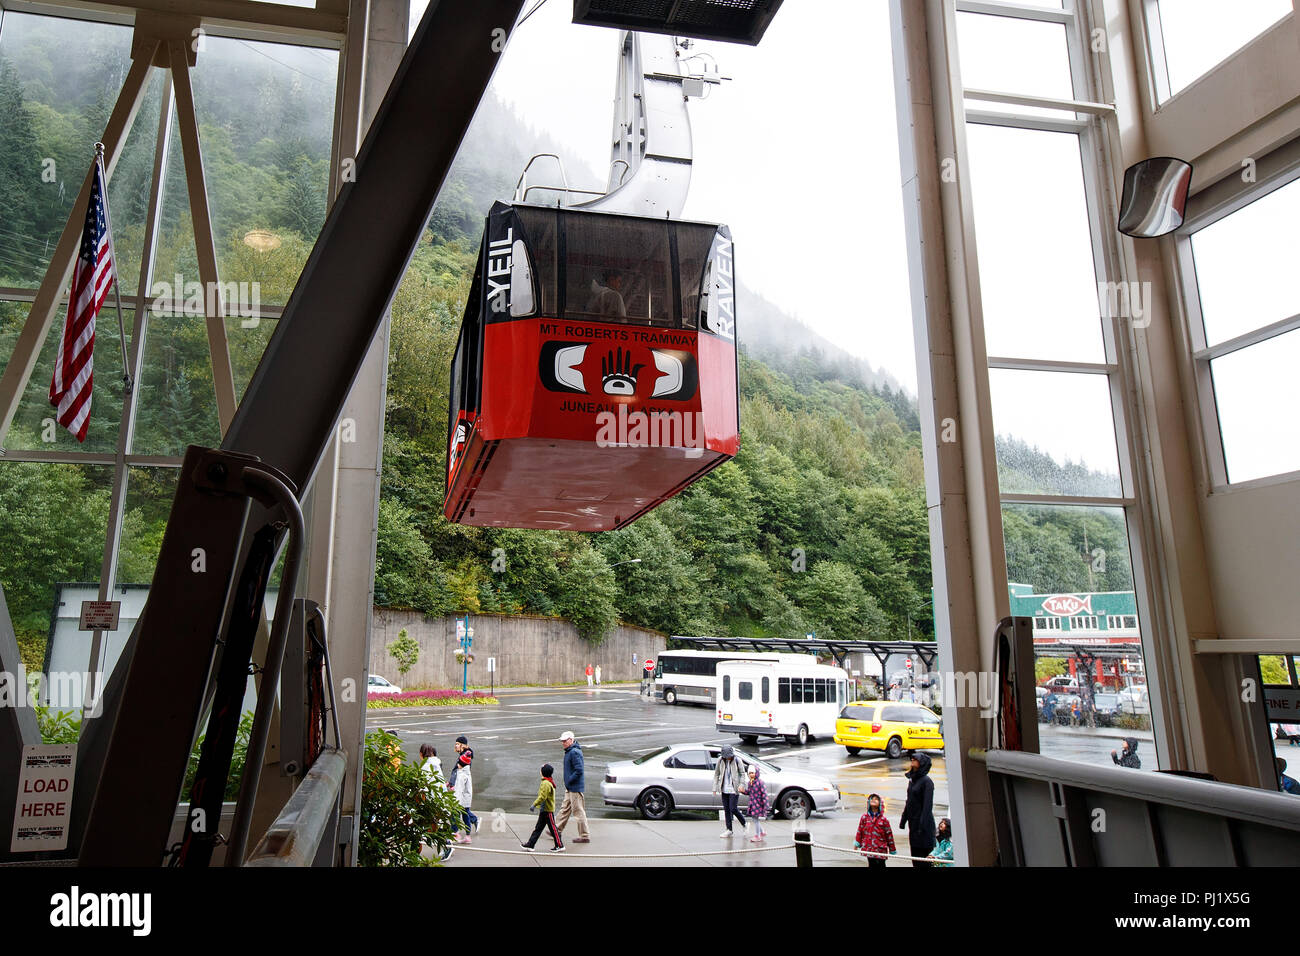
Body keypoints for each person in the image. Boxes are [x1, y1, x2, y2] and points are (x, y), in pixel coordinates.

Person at [899, 752, 936, 867]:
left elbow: (927, 806)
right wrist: (904, 819)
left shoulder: (927, 782)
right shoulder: (912, 780)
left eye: (915, 759)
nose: (912, 760)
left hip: (924, 828)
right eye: (912, 759)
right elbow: (909, 801)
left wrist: (922, 825)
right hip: (913, 825)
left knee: (924, 861)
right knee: (915, 859)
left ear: (922, 763)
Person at [520, 763, 565, 852]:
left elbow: (542, 797)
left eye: (541, 770)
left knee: (553, 829)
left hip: (547, 810)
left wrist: (534, 804)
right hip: (544, 810)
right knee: (539, 828)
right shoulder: (548, 781)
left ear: (543, 772)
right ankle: (530, 844)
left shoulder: (546, 783)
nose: (540, 771)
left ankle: (560, 845)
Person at [556, 731, 591, 843]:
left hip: (574, 788)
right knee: (565, 809)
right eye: (562, 741)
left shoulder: (574, 752)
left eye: (565, 741)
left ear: (571, 740)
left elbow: (579, 770)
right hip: (571, 787)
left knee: (578, 811)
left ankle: (584, 836)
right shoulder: (570, 751)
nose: (563, 743)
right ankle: (556, 830)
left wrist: (570, 780)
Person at [712, 745, 748, 838]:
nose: (728, 757)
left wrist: (741, 785)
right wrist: (715, 788)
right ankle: (729, 830)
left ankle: (744, 823)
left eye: (729, 755)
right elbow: (716, 774)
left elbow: (742, 774)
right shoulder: (720, 760)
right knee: (726, 809)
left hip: (734, 788)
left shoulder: (737, 760)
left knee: (733, 808)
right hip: (724, 788)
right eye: (726, 756)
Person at [854, 792, 896, 868]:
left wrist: (892, 849)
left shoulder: (884, 820)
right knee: (871, 864)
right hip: (869, 848)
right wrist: (857, 843)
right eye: (872, 799)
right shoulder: (864, 817)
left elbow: (889, 835)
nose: (873, 800)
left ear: (880, 804)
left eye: (876, 799)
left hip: (880, 850)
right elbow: (860, 831)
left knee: (881, 865)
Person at [449, 736, 478, 841]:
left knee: (456, 812)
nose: (455, 745)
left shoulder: (463, 766)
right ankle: (467, 836)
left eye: (457, 744)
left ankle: (455, 833)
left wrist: (453, 787)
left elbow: (459, 782)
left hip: (460, 794)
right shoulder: (466, 760)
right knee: (465, 812)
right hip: (465, 794)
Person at [743, 765, 769, 843]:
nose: (751, 775)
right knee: (755, 819)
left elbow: (764, 794)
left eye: (752, 773)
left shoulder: (760, 782)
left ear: (756, 773)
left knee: (755, 819)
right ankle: (761, 832)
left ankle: (758, 835)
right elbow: (749, 792)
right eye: (749, 773)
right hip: (753, 804)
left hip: (758, 804)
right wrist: (743, 791)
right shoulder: (750, 782)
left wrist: (765, 805)